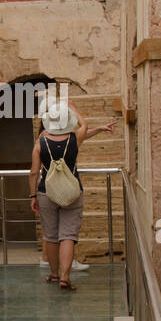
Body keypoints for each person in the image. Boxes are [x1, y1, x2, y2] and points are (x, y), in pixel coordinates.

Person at [29, 97, 101, 291]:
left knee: (50, 235)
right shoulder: (74, 139)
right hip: (72, 191)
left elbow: (34, 172)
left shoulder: (40, 143)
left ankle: (53, 274)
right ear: (66, 121)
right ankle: (65, 278)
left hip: (46, 191)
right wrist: (73, 108)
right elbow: (84, 125)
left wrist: (33, 196)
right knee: (68, 235)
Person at [38, 114, 116, 273]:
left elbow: (81, 135)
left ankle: (52, 267)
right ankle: (60, 265)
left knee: (52, 231)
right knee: (63, 232)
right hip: (60, 185)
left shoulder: (45, 137)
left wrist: (100, 129)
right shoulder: (50, 136)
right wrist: (75, 110)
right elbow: (81, 132)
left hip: (48, 186)